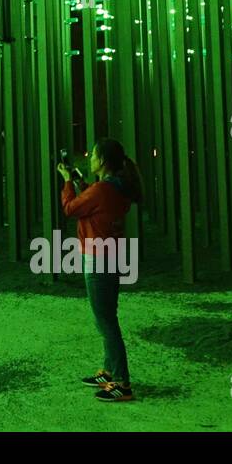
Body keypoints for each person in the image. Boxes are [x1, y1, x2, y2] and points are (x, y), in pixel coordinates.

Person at [57, 137, 143, 402]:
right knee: (107, 316)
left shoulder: (101, 190)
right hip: (113, 255)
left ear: (103, 161)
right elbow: (95, 203)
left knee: (106, 322)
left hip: (98, 259)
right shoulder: (115, 187)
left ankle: (122, 383)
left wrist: (67, 182)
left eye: (93, 155)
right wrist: (81, 184)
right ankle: (109, 372)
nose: (90, 159)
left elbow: (71, 208)